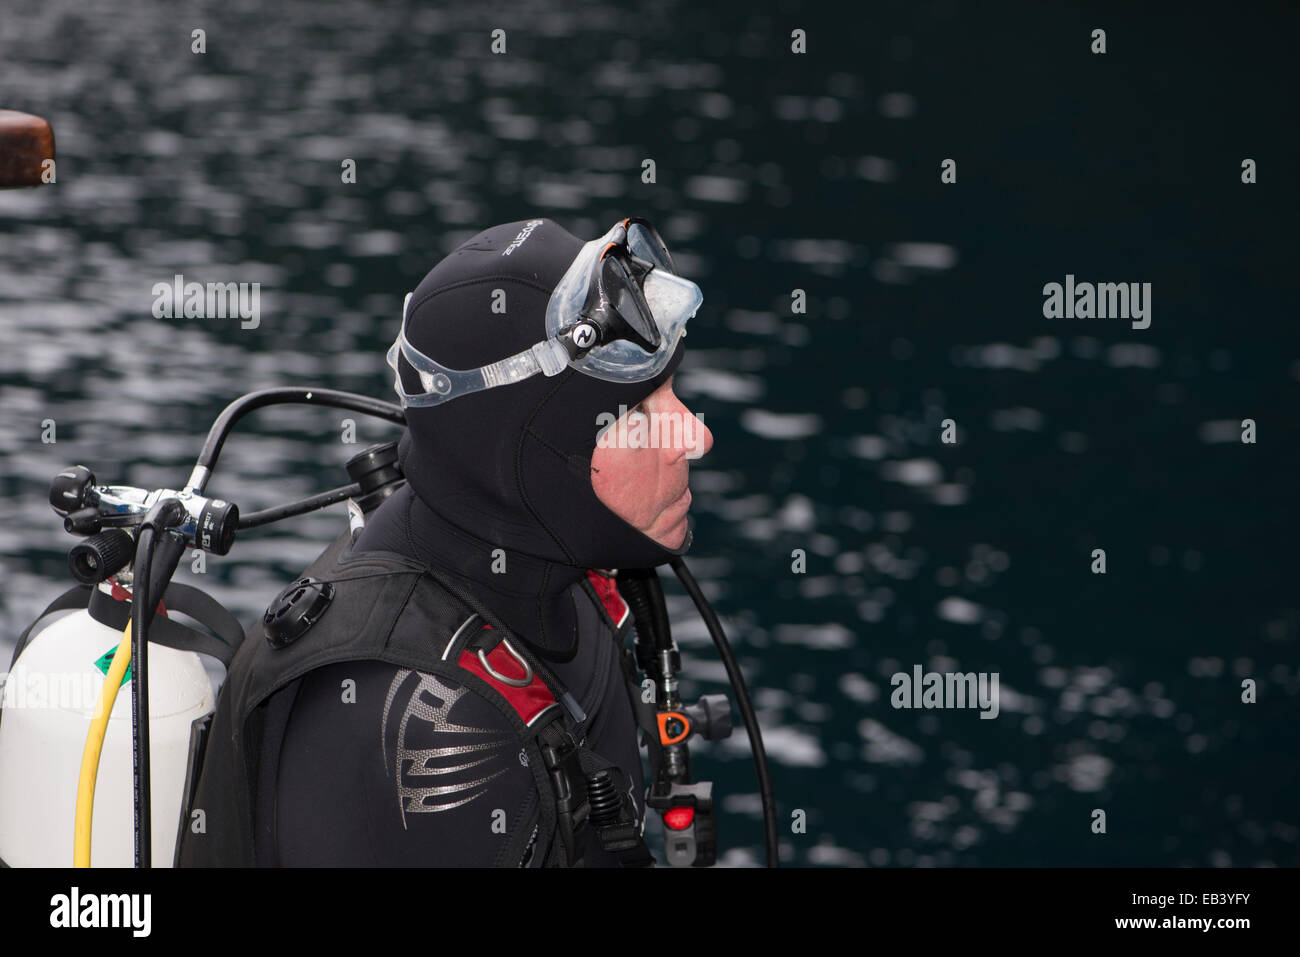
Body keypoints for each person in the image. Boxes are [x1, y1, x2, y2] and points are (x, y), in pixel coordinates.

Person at [178, 216, 712, 867]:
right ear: (532, 454)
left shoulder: (563, 573)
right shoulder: (417, 733)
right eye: (642, 415)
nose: (694, 436)